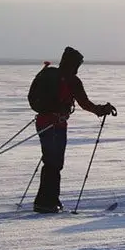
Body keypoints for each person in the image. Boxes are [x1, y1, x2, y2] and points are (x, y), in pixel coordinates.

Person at [27, 46, 116, 213]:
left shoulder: (51, 74)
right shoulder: (71, 80)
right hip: (56, 124)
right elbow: (85, 104)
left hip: (42, 121)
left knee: (50, 161)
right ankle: (47, 202)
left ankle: (47, 200)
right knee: (54, 163)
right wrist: (101, 110)